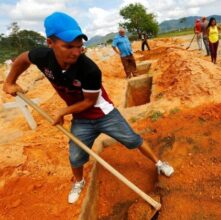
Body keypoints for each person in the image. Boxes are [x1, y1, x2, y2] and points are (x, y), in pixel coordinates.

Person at [2, 12, 174, 204]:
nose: (76, 52)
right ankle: (79, 181)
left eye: (79, 46)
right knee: (75, 156)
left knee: (133, 139)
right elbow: (23, 59)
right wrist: (10, 81)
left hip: (104, 114)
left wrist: (62, 112)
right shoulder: (42, 57)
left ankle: (159, 163)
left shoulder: (89, 69)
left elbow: (89, 102)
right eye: (69, 46)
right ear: (50, 43)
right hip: (81, 120)